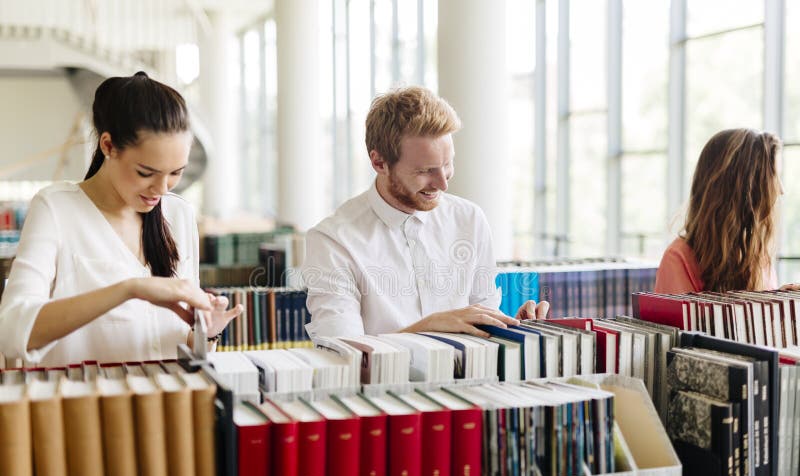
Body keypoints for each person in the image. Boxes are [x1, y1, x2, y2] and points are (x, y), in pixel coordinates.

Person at [0, 72, 242, 366]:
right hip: (86, 405)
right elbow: (12, 333)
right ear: (108, 146)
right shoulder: (55, 209)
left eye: (176, 173)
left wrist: (208, 332)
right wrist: (129, 289)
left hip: (166, 404)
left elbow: (173, 343)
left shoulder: (178, 214)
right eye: (146, 173)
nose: (161, 189)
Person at [302, 86, 548, 339]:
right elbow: (345, 353)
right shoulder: (333, 240)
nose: (443, 183)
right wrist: (430, 327)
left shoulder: (470, 219)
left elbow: (482, 322)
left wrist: (511, 329)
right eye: (425, 171)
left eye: (447, 164)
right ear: (379, 163)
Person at [655, 128, 793, 294]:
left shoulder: (758, 255)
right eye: (773, 177)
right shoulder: (678, 259)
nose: (781, 189)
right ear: (744, 187)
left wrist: (781, 304)